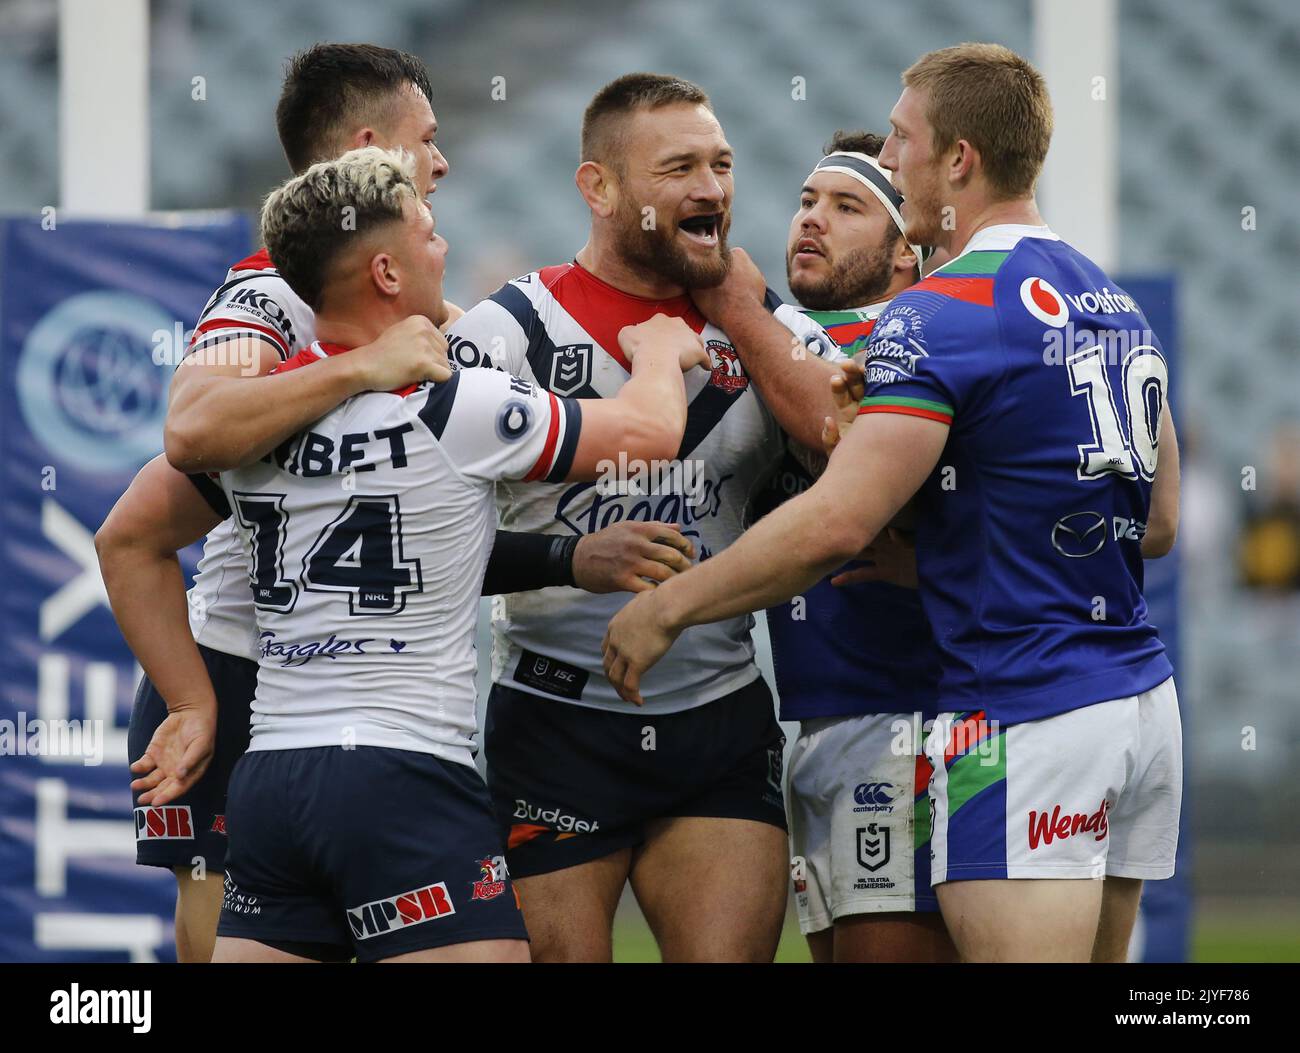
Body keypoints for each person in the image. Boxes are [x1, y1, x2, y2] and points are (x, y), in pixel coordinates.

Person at [96, 43, 691, 963]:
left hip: (314, 712)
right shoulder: (269, 292)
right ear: (370, 150)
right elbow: (191, 428)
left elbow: (423, 517)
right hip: (247, 671)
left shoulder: (425, 333)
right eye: (429, 140)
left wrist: (566, 558)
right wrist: (193, 699)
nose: (445, 164)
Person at [603, 43, 1183, 964]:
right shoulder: (1109, 301)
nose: (895, 157)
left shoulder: (939, 312)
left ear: (959, 159)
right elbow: (1154, 522)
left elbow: (838, 519)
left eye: (904, 141)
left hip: (1017, 707)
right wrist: (953, 549)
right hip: (1137, 702)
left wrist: (670, 605)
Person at [446, 73, 841, 962]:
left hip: (719, 720)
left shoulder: (766, 330)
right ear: (600, 188)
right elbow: (429, 549)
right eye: (680, 168)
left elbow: (852, 465)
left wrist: (744, 307)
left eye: (723, 164)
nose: (712, 188)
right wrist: (569, 556)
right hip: (553, 727)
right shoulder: (506, 334)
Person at [750, 130, 955, 963]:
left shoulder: (913, 333)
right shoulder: (777, 340)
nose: (811, 220)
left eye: (845, 206)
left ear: (906, 254)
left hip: (903, 717)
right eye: (805, 201)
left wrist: (737, 302)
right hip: (819, 718)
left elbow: (835, 425)